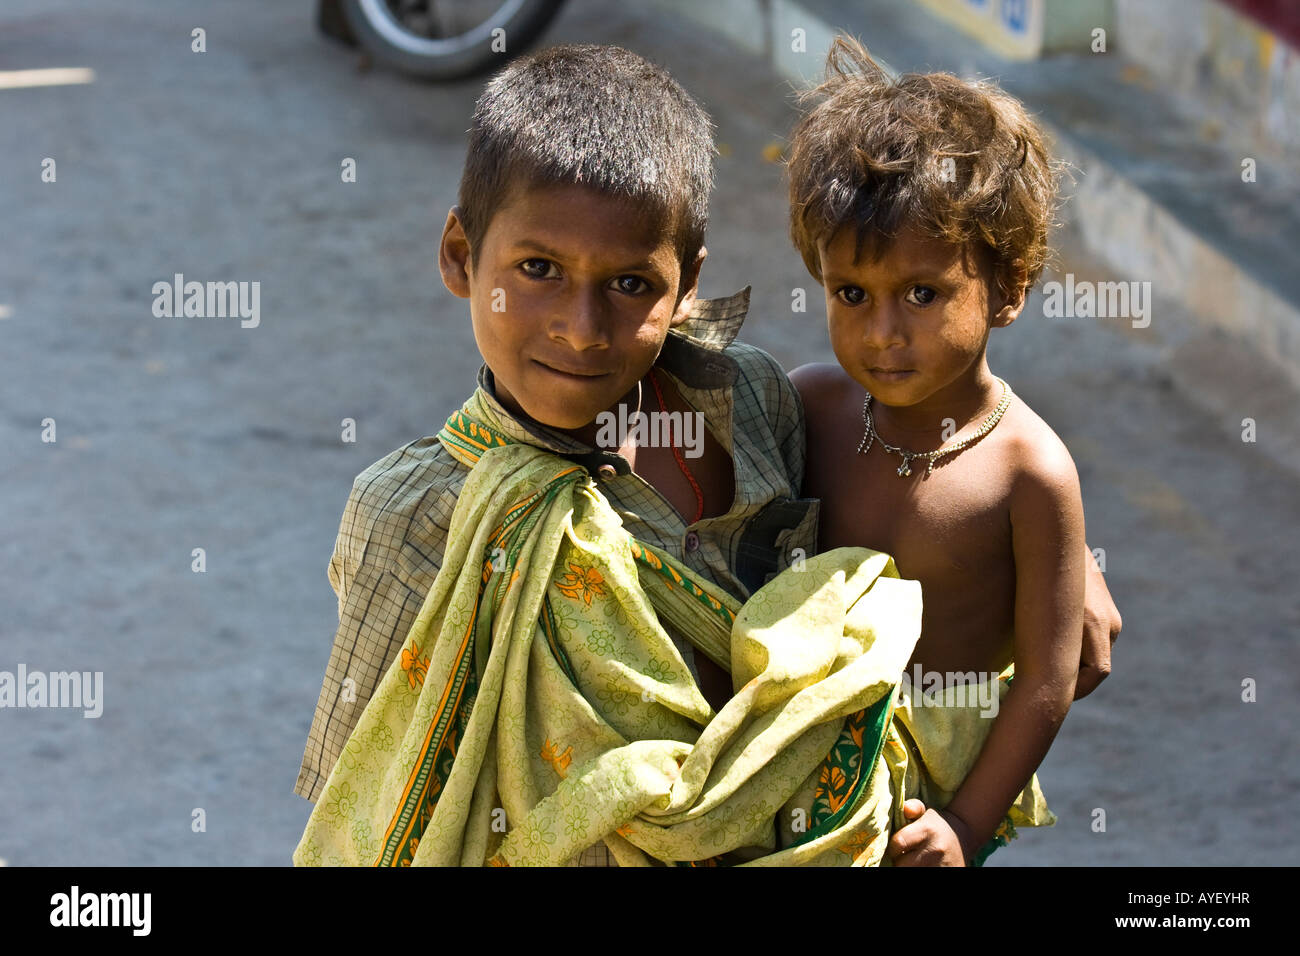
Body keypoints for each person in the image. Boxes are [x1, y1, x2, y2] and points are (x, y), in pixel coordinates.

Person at [294, 42, 1120, 867]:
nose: (581, 329)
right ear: (460, 258)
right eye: (538, 270)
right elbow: (366, 788)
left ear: (686, 285)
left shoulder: (746, 406)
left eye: (629, 285)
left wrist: (1057, 552)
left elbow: (923, 466)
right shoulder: (411, 515)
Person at [788, 36, 1102, 865]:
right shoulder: (814, 404)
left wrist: (965, 825)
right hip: (798, 764)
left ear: (1008, 286)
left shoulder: (1029, 472)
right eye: (851, 294)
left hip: (940, 791)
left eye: (923, 294)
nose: (882, 333)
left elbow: (1048, 677)